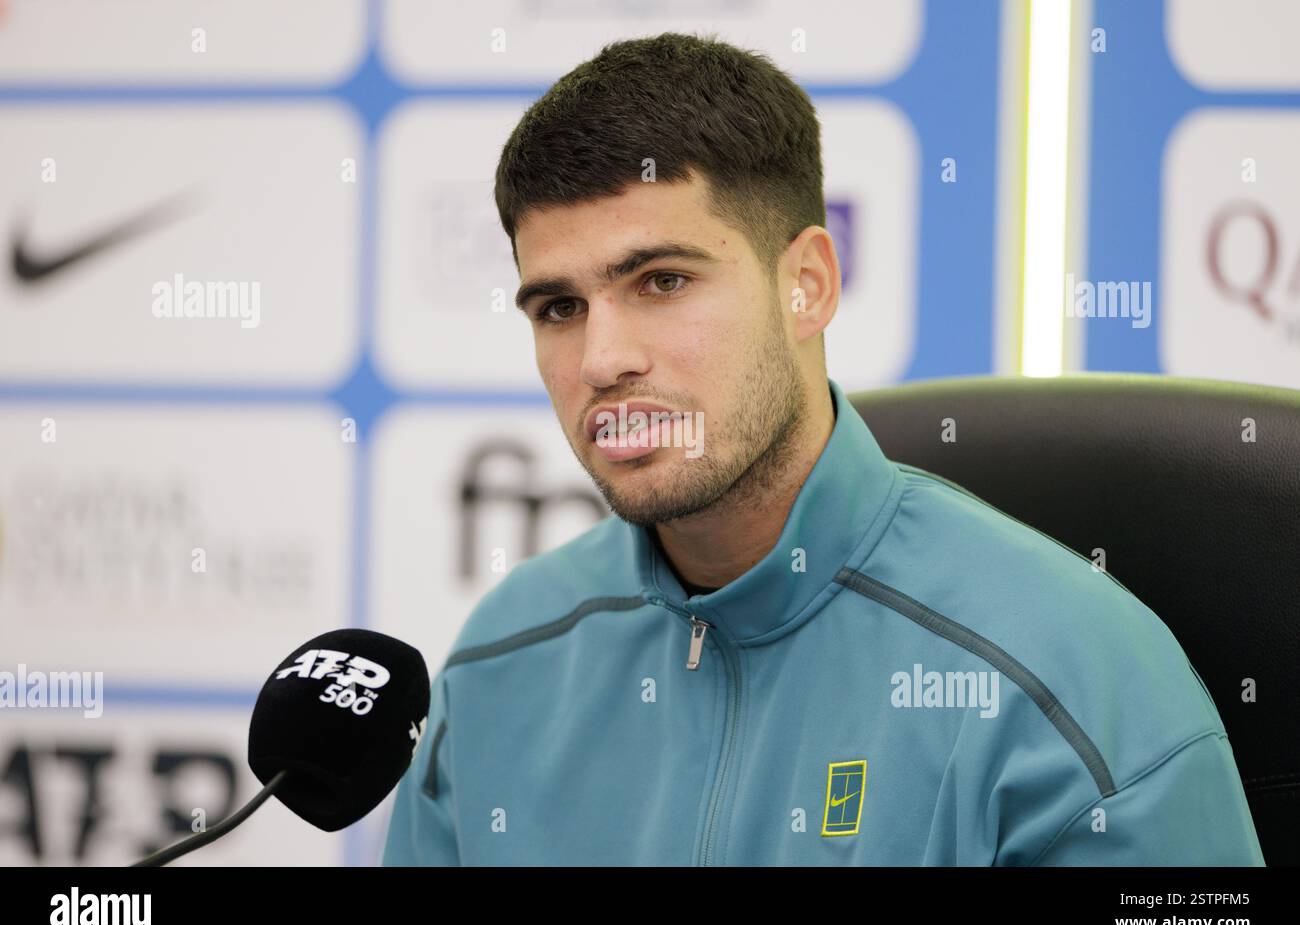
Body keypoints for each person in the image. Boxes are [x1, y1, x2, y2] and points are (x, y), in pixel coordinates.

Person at [381, 32, 1263, 865]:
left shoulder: (1073, 676)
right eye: (559, 308)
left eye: (662, 281)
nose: (603, 359)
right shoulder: (503, 660)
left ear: (807, 285)